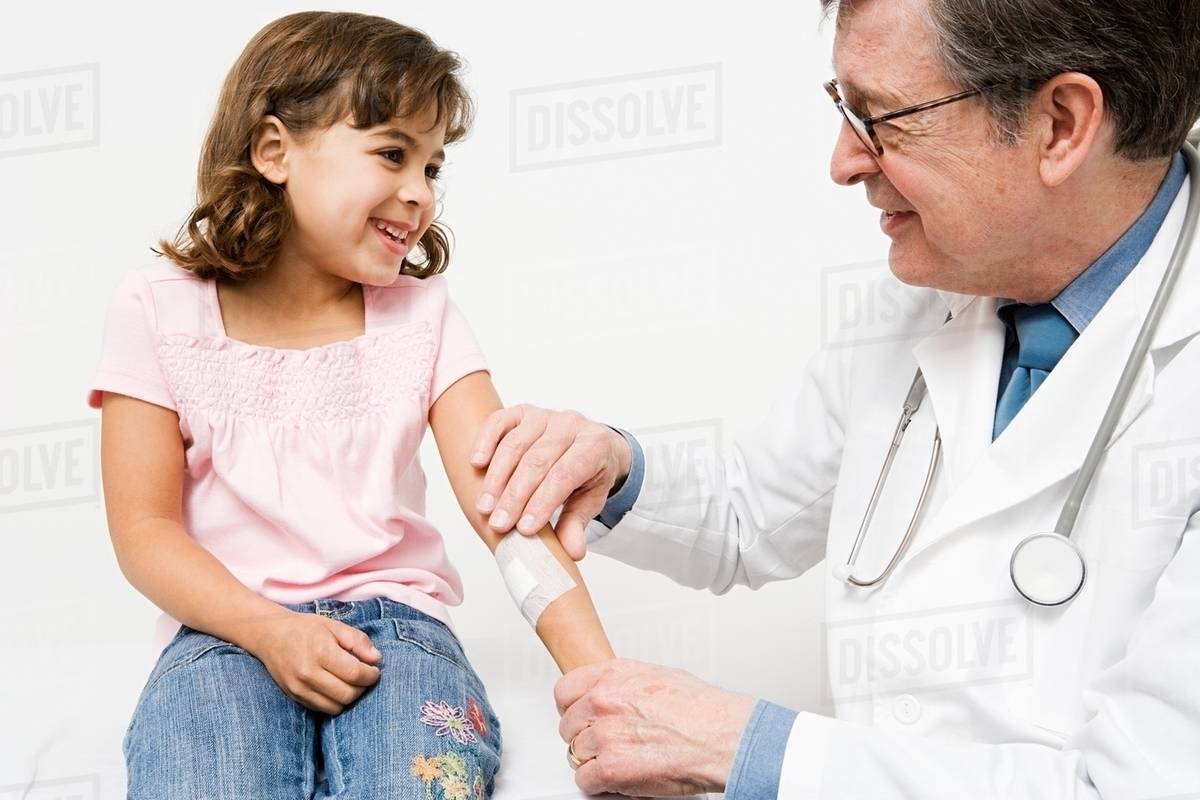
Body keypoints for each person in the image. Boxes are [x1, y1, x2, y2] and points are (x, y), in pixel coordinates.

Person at [468, 0, 1200, 795]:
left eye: (883, 118)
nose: (844, 161)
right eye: (846, 108)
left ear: (1060, 125)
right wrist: (615, 471)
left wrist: (750, 750)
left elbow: (1137, 786)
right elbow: (755, 516)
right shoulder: (948, 276)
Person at [87, 12, 613, 799]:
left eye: (433, 166)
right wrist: (268, 629)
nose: (420, 192)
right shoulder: (156, 309)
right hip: (222, 634)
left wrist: (604, 685)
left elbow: (510, 514)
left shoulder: (423, 316)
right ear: (274, 151)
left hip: (400, 633)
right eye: (393, 154)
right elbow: (144, 532)